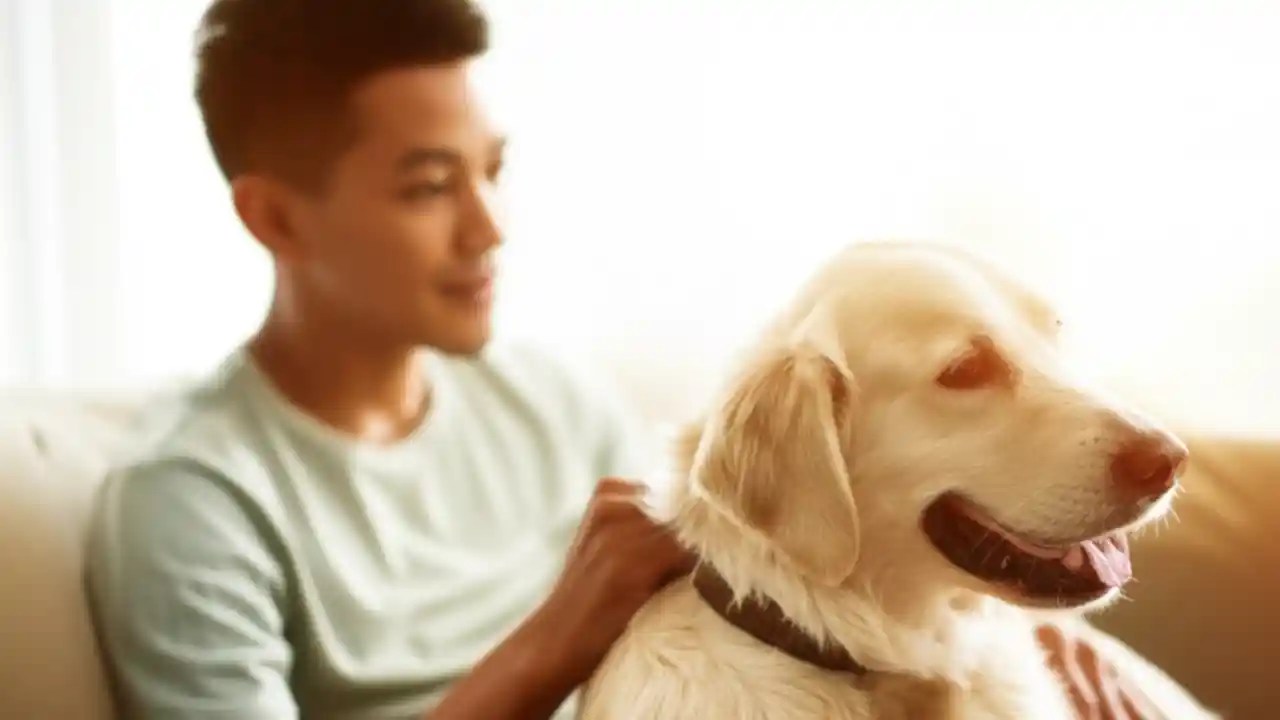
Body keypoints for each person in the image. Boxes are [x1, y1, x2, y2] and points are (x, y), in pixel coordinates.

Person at [83, 1, 1178, 718]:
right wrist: (551, 641)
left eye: (493, 171)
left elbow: (780, 586)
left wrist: (1005, 652)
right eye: (428, 186)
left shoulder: (544, 398)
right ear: (274, 217)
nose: (489, 227)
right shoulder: (189, 502)